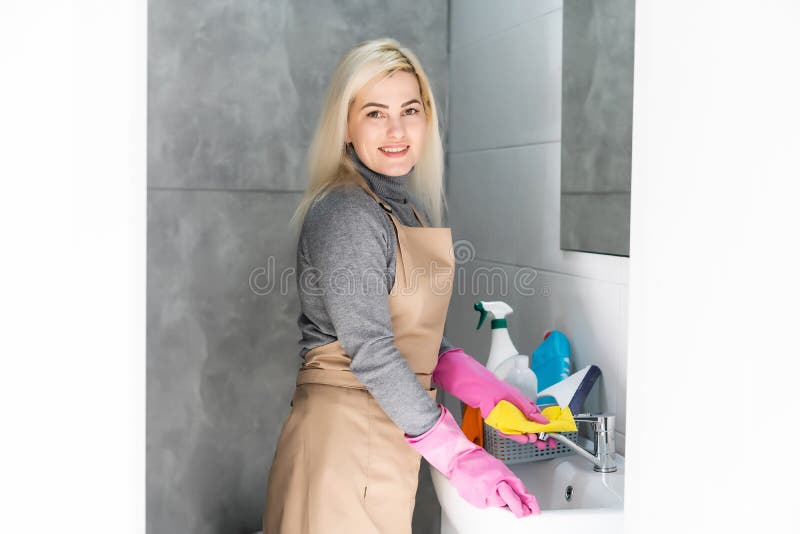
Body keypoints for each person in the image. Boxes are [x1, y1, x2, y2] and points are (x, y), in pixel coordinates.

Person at [262, 37, 555, 534]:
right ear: (346, 127)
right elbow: (372, 349)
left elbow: (403, 329)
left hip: (383, 435)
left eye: (410, 110)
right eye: (375, 113)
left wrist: (477, 383)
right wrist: (459, 457)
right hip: (345, 441)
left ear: (427, 119)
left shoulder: (399, 207)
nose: (397, 130)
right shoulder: (348, 212)